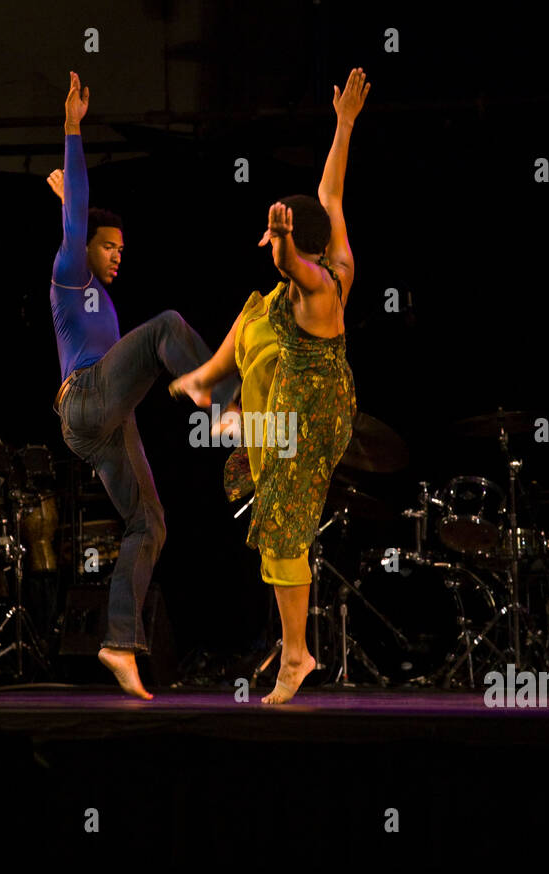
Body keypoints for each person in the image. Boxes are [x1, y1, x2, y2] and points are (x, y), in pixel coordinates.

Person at [170, 67, 369, 703]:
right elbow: (330, 191)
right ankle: (211, 385)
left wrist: (281, 238)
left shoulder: (320, 287)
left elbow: (291, 264)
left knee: (284, 528)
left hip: (312, 412)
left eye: (285, 243)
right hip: (295, 398)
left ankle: (296, 656)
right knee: (258, 311)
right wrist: (343, 125)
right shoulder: (328, 254)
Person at [49, 72, 238, 699]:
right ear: (84, 250)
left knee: (150, 524)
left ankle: (118, 643)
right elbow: (77, 222)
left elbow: (79, 220)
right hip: (85, 399)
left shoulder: (99, 299)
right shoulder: (68, 275)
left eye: (123, 249)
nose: (118, 256)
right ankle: (223, 398)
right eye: (110, 247)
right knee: (167, 328)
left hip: (105, 424)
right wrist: (73, 129)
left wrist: (72, 210)